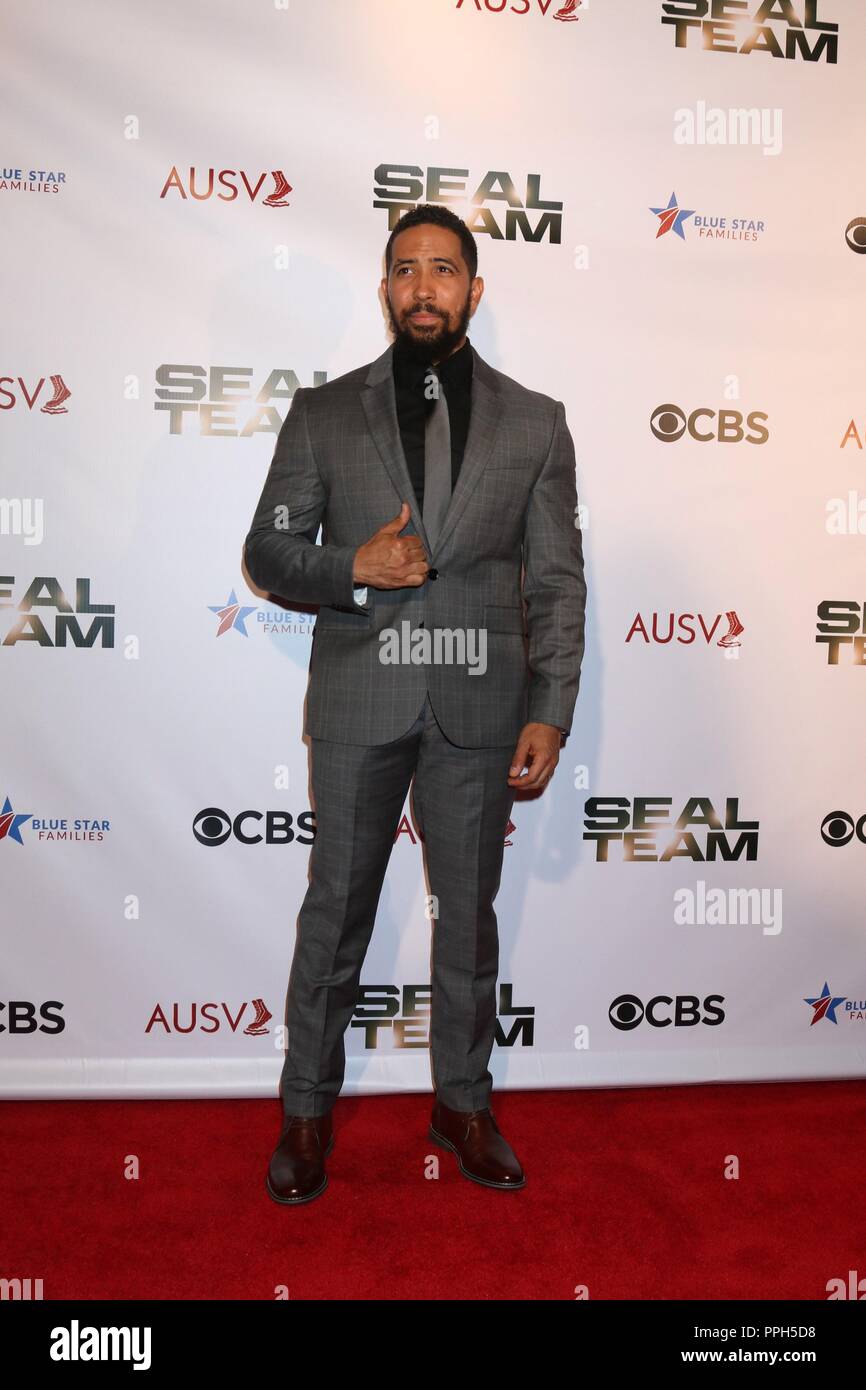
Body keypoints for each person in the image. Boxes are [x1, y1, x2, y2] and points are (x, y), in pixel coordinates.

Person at [243, 204, 587, 1204]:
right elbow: (267, 550)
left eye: (444, 269)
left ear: (473, 290)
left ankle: (462, 1104)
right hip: (361, 694)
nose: (423, 286)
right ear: (384, 287)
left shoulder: (536, 421)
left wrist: (549, 708)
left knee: (467, 922)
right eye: (405, 269)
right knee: (334, 910)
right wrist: (352, 564)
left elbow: (558, 581)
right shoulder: (320, 413)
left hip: (482, 707)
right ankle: (305, 1114)